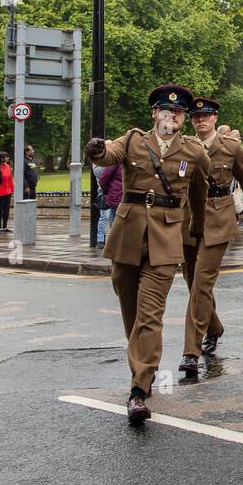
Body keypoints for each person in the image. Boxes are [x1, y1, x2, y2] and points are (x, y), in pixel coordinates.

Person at [85, 84, 209, 424]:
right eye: (165, 111)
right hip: (127, 235)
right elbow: (108, 155)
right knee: (130, 307)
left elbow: (200, 192)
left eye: (178, 112)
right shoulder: (133, 140)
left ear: (183, 118)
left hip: (166, 239)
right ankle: (141, 359)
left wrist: (197, 228)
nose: (171, 116)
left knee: (150, 314)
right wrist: (96, 149)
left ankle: (139, 389)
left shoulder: (194, 152)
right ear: (155, 113)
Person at [178, 97, 243, 376]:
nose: (200, 120)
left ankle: (190, 352)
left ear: (215, 118)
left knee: (201, 285)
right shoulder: (183, 147)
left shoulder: (232, 148)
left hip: (218, 218)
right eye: (195, 116)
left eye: (205, 116)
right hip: (187, 219)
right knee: (191, 278)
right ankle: (214, 326)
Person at [97, 161, 123, 245]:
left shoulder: (115, 160)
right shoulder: (116, 160)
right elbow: (104, 177)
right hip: (118, 196)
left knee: (114, 219)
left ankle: (116, 242)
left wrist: (107, 191)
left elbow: (104, 178)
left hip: (118, 196)